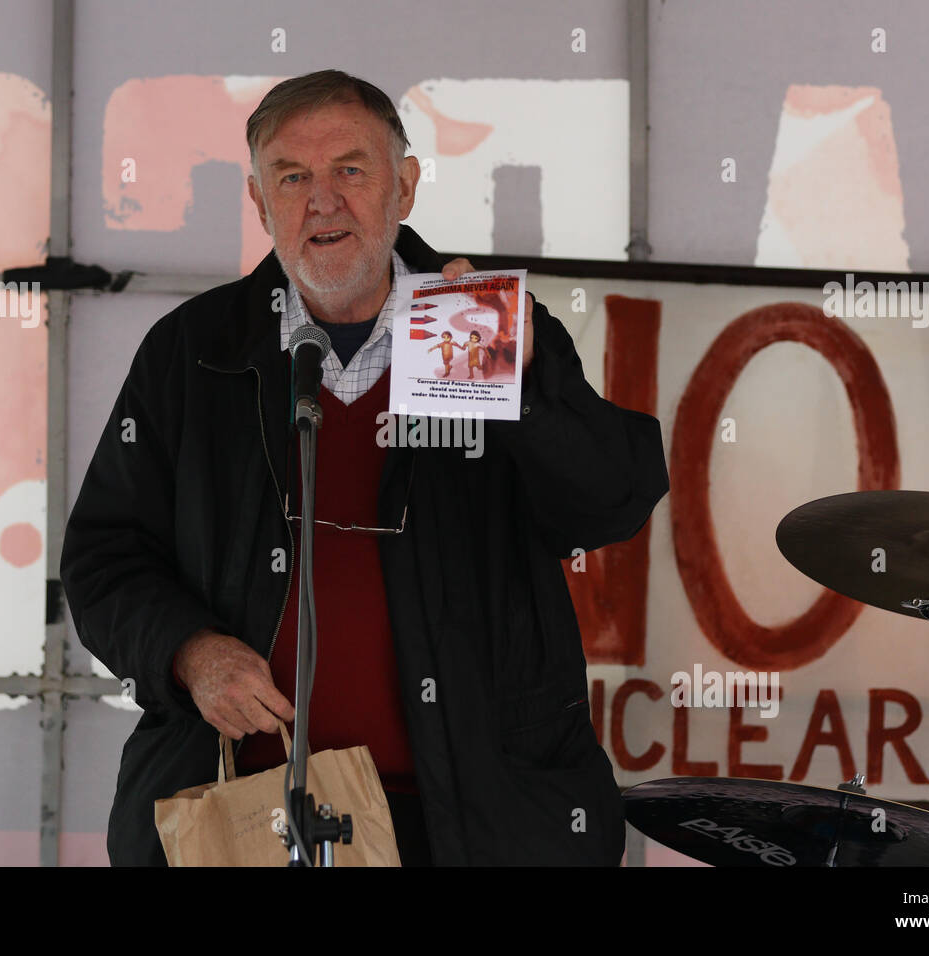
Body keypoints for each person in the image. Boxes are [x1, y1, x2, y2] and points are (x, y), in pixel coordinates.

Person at [60, 69, 669, 866]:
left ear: (405, 188)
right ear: (258, 202)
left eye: (350, 170)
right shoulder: (192, 351)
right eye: (292, 176)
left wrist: (522, 390)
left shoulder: (482, 328)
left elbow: (609, 503)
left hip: (468, 823)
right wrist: (190, 652)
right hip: (247, 818)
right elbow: (104, 557)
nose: (322, 200)